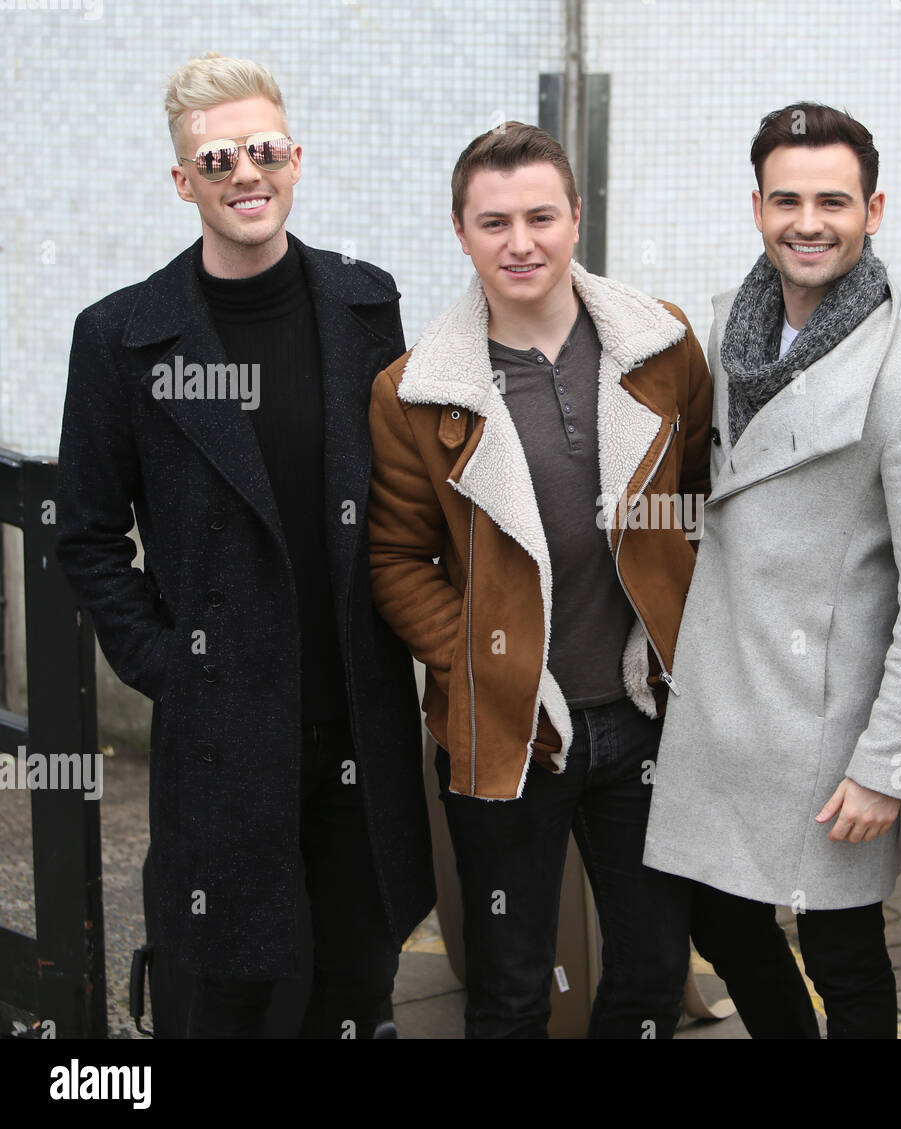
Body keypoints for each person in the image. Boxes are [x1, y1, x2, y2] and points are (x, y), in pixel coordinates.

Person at [55, 53, 435, 1038]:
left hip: (358, 716)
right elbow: (89, 537)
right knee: (227, 994)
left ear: (295, 158)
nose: (244, 173)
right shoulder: (124, 337)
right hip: (225, 733)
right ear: (185, 181)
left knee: (356, 991)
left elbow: (409, 500)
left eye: (261, 149)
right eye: (216, 159)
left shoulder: (365, 306)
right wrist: (166, 668)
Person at [642, 102, 901, 1038]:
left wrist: (887, 764)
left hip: (829, 727)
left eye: (833, 200)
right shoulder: (729, 335)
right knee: (716, 915)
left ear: (874, 210)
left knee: (844, 949)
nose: (808, 221)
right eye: (785, 199)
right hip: (724, 704)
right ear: (756, 206)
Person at [367, 121, 711, 1038]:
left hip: (644, 718)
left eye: (540, 217)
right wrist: (488, 669)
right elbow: (397, 560)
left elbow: (702, 500)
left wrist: (675, 640)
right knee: (511, 991)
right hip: (507, 729)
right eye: (494, 222)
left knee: (650, 974)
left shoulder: (663, 344)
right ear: (460, 230)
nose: (520, 243)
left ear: (576, 219)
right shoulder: (416, 390)